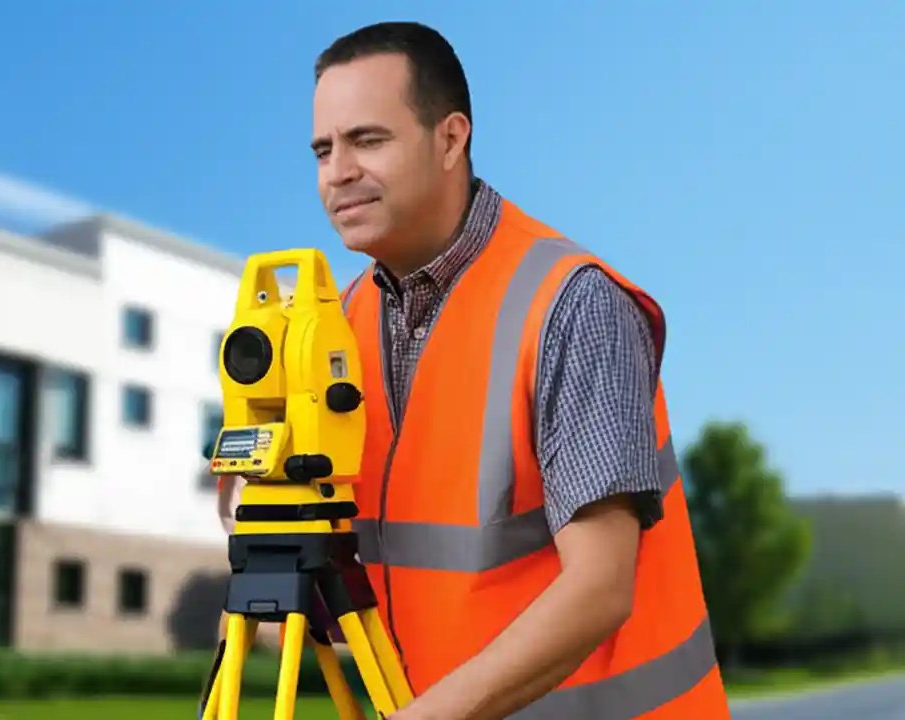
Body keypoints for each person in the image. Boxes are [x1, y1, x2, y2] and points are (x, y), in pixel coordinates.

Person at [217, 20, 731, 720]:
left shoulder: (569, 304)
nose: (338, 172)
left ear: (451, 138)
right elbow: (389, 581)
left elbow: (601, 588)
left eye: (368, 140)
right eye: (323, 150)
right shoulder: (342, 325)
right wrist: (272, 526)